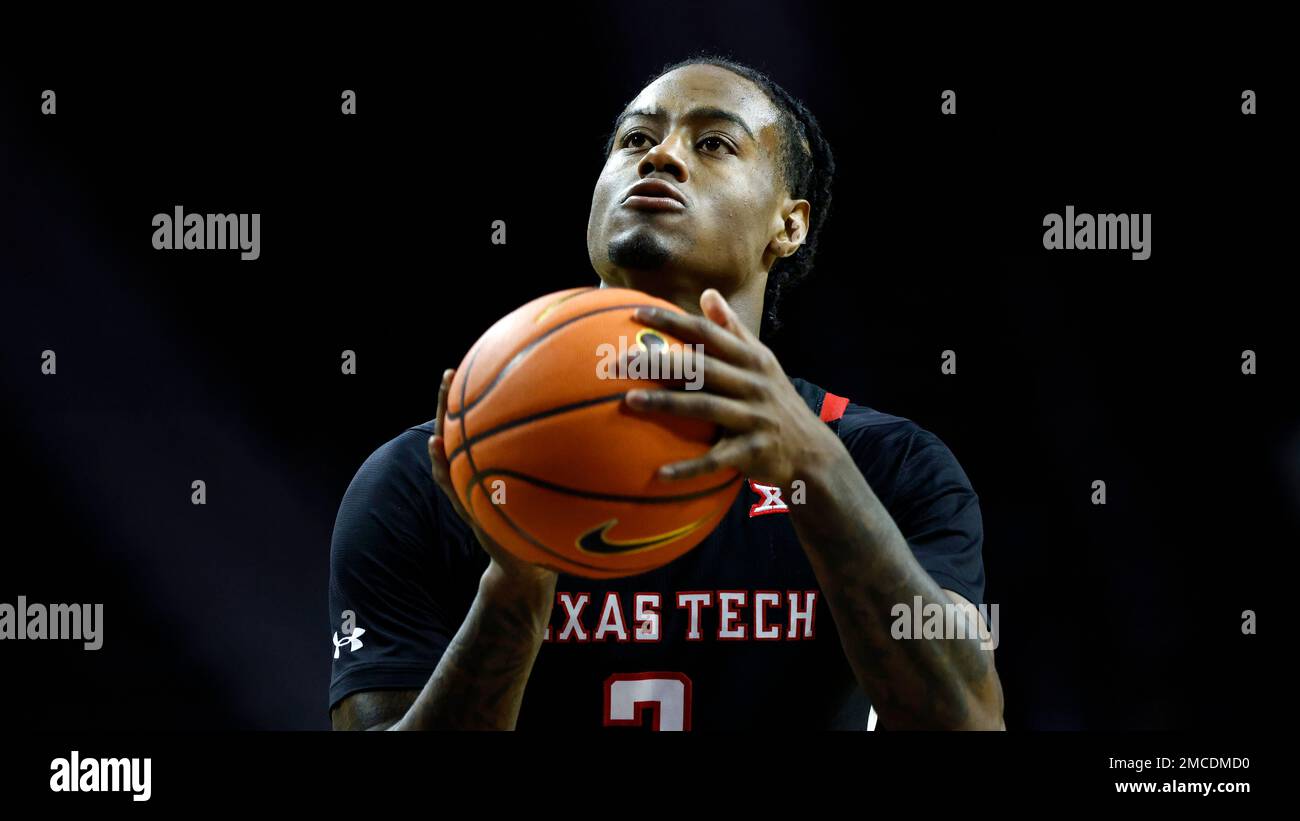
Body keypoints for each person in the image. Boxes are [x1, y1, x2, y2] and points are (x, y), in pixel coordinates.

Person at [329, 55, 1004, 730]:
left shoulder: (890, 465)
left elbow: (966, 720)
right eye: (635, 139)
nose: (662, 156)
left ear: (789, 224)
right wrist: (515, 593)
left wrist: (815, 469)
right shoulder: (429, 477)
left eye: (713, 142)